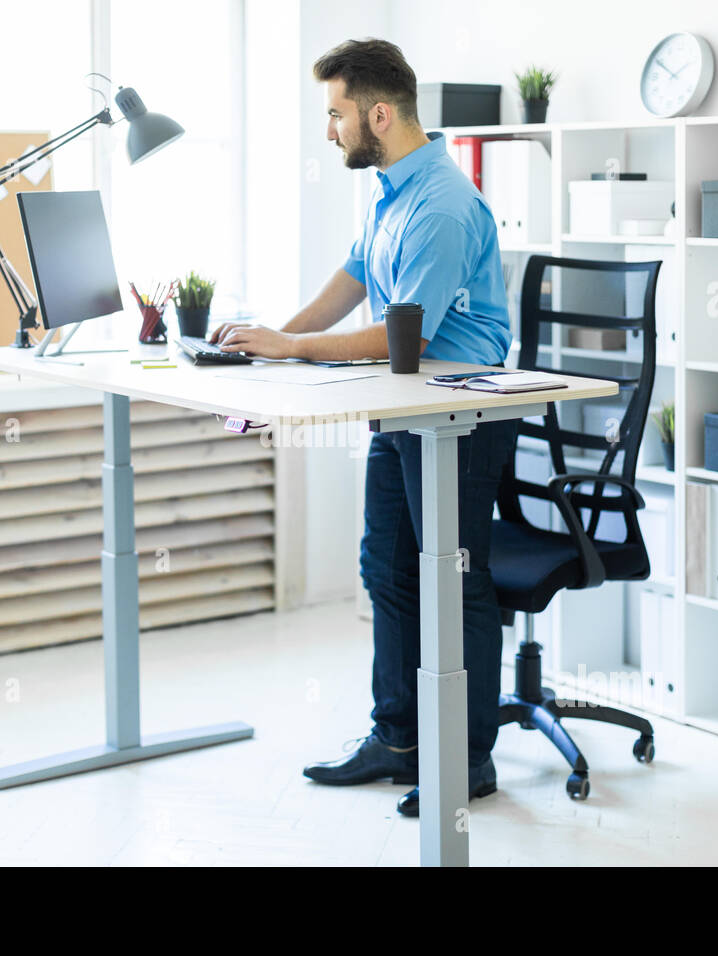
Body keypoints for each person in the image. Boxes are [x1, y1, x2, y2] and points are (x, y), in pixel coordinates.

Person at [208, 38, 517, 817]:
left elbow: (395, 335)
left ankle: (468, 759)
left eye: (336, 114)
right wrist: (267, 340)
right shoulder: (391, 192)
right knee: (387, 569)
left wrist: (293, 348)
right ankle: (399, 740)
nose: (330, 131)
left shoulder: (443, 205)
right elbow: (352, 285)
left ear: (379, 114)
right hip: (405, 409)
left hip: (459, 421)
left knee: (457, 580)